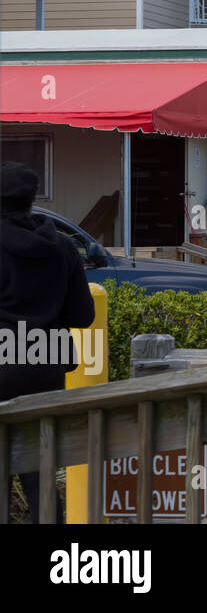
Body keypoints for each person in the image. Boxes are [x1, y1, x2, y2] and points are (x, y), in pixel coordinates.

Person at [0, 160, 95, 522]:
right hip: (47, 368)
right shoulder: (62, 248)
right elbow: (82, 316)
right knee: (39, 472)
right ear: (31, 200)